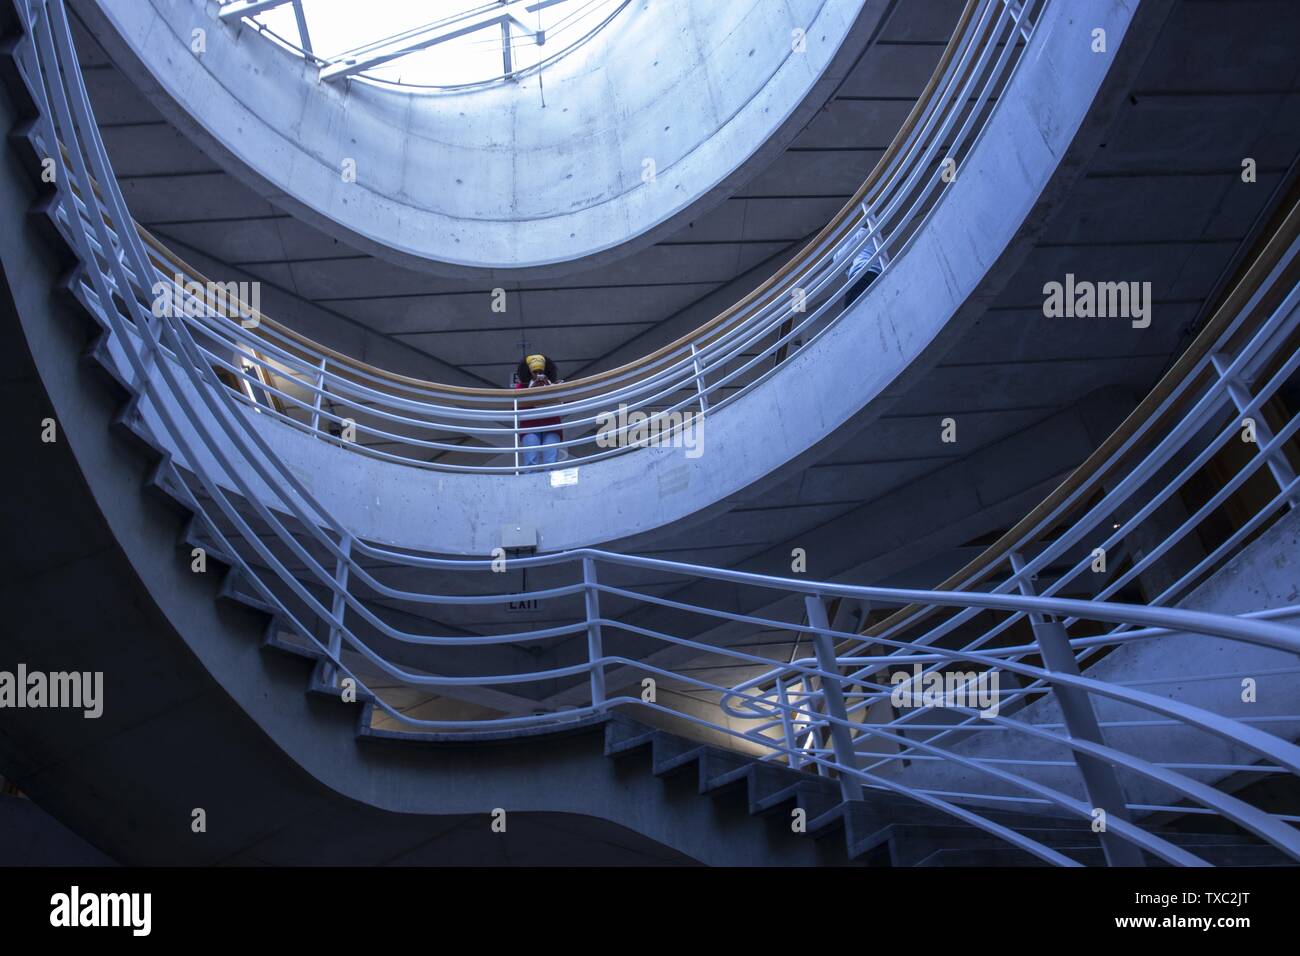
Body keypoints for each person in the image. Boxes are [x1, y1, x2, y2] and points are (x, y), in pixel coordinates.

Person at [513, 354, 563, 467]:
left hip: (552, 425)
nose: (538, 375)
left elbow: (566, 402)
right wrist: (531, 389)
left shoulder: (554, 384)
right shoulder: (520, 388)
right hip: (529, 427)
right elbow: (515, 408)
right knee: (530, 460)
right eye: (535, 372)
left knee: (551, 461)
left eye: (541, 372)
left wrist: (550, 388)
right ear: (529, 373)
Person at [833, 224, 884, 311]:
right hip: (872, 273)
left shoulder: (859, 232)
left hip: (862, 274)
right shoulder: (869, 235)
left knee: (851, 311)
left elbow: (837, 258)